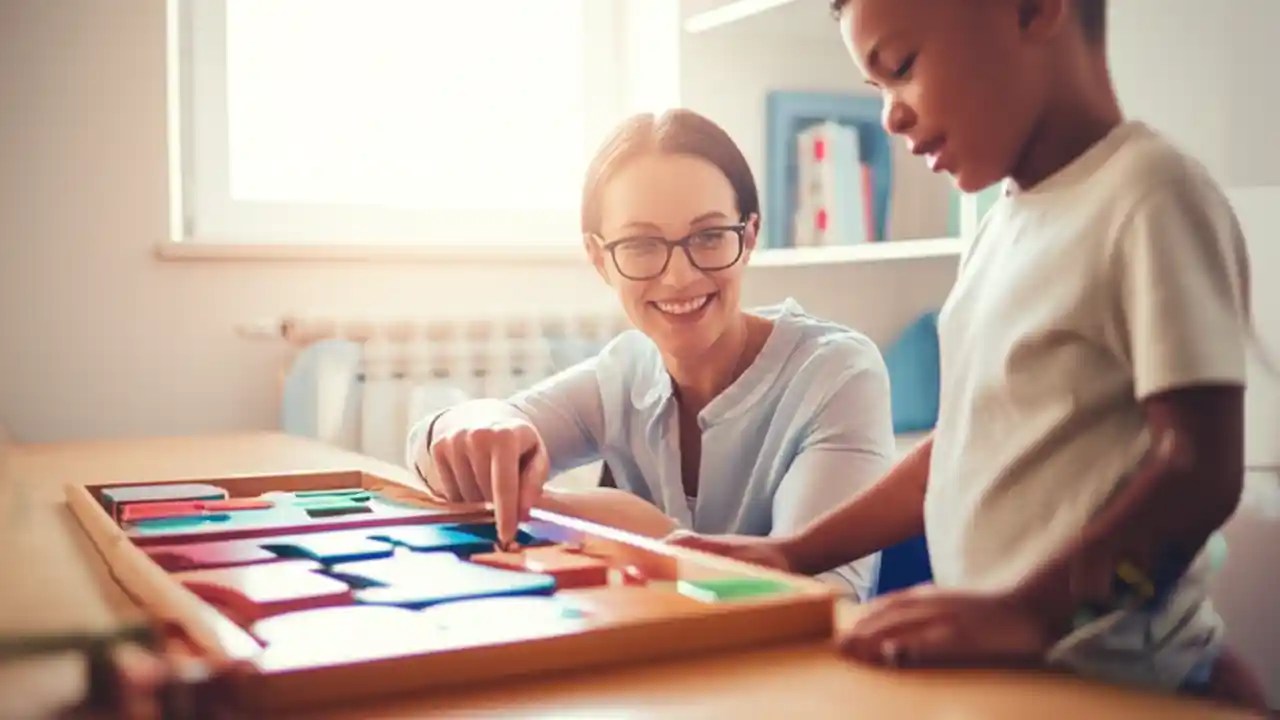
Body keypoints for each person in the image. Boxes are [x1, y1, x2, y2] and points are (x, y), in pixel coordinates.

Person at [669, 0, 1269, 710]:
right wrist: (794, 553)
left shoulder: (1149, 195)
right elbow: (955, 449)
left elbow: (1199, 470)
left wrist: (1028, 613)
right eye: (879, 89)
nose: (891, 116)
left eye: (902, 67)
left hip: (1121, 685)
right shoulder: (997, 231)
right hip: (1011, 679)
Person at [406, 109, 895, 599]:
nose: (679, 276)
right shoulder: (624, 371)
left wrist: (644, 535)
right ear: (600, 260)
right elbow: (441, 442)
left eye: (708, 236)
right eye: (641, 244)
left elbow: (828, 599)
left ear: (747, 238)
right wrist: (477, 422)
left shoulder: (836, 373)